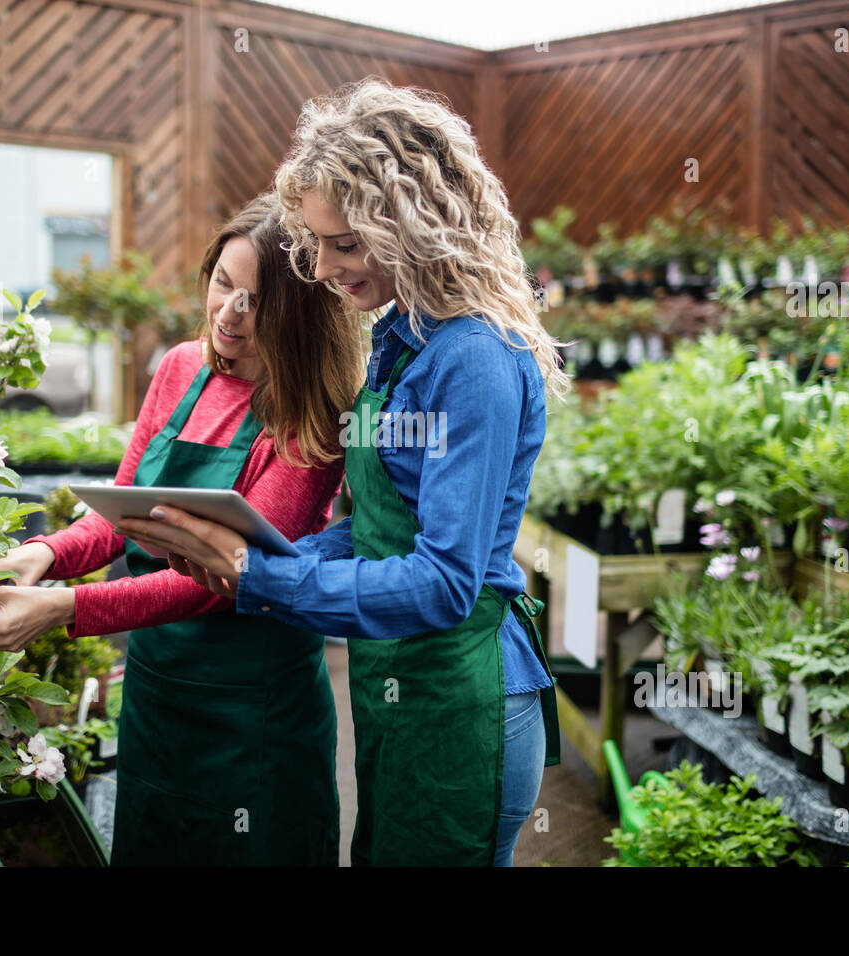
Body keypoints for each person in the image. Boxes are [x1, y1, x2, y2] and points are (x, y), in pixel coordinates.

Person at [117, 77, 567, 867]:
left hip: (465, 697)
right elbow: (379, 528)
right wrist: (260, 552)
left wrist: (261, 577)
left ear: (416, 225)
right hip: (395, 684)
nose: (322, 269)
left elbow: (441, 582)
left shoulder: (476, 359)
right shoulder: (402, 338)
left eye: (345, 244)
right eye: (316, 243)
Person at [0, 192, 365, 866]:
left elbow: (218, 581)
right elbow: (121, 516)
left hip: (251, 709)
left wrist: (62, 607)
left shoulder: (311, 414)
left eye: (255, 301)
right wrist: (43, 554)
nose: (228, 312)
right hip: (156, 693)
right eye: (222, 284)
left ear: (298, 314)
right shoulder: (180, 368)